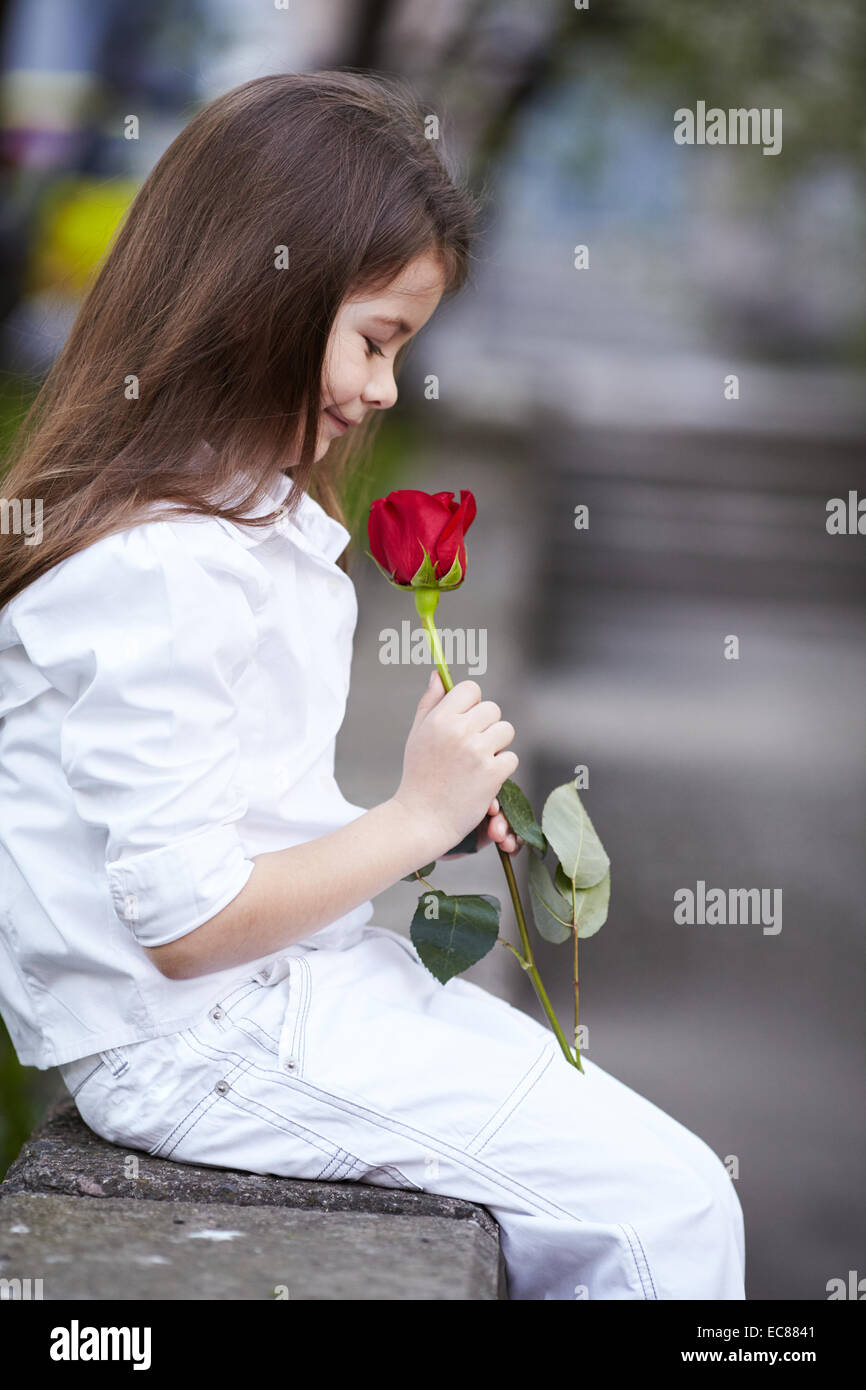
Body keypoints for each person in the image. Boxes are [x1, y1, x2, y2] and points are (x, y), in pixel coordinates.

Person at [0, 71, 745, 1300]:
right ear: (261, 294)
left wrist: (423, 826)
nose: (387, 389)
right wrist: (407, 816)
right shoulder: (157, 567)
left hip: (286, 997)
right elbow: (183, 926)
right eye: (375, 339)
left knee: (655, 1179)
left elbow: (230, 831)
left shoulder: (231, 521)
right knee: (663, 1212)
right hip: (206, 1047)